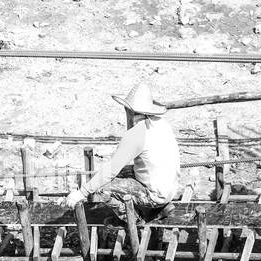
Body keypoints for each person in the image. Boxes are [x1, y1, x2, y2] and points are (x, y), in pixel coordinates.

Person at [63, 82, 181, 215]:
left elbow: (111, 169)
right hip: (169, 188)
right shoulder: (162, 124)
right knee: (118, 173)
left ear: (129, 110)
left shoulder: (136, 134)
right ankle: (158, 206)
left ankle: (137, 217)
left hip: (156, 196)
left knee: (102, 186)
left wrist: (81, 192)